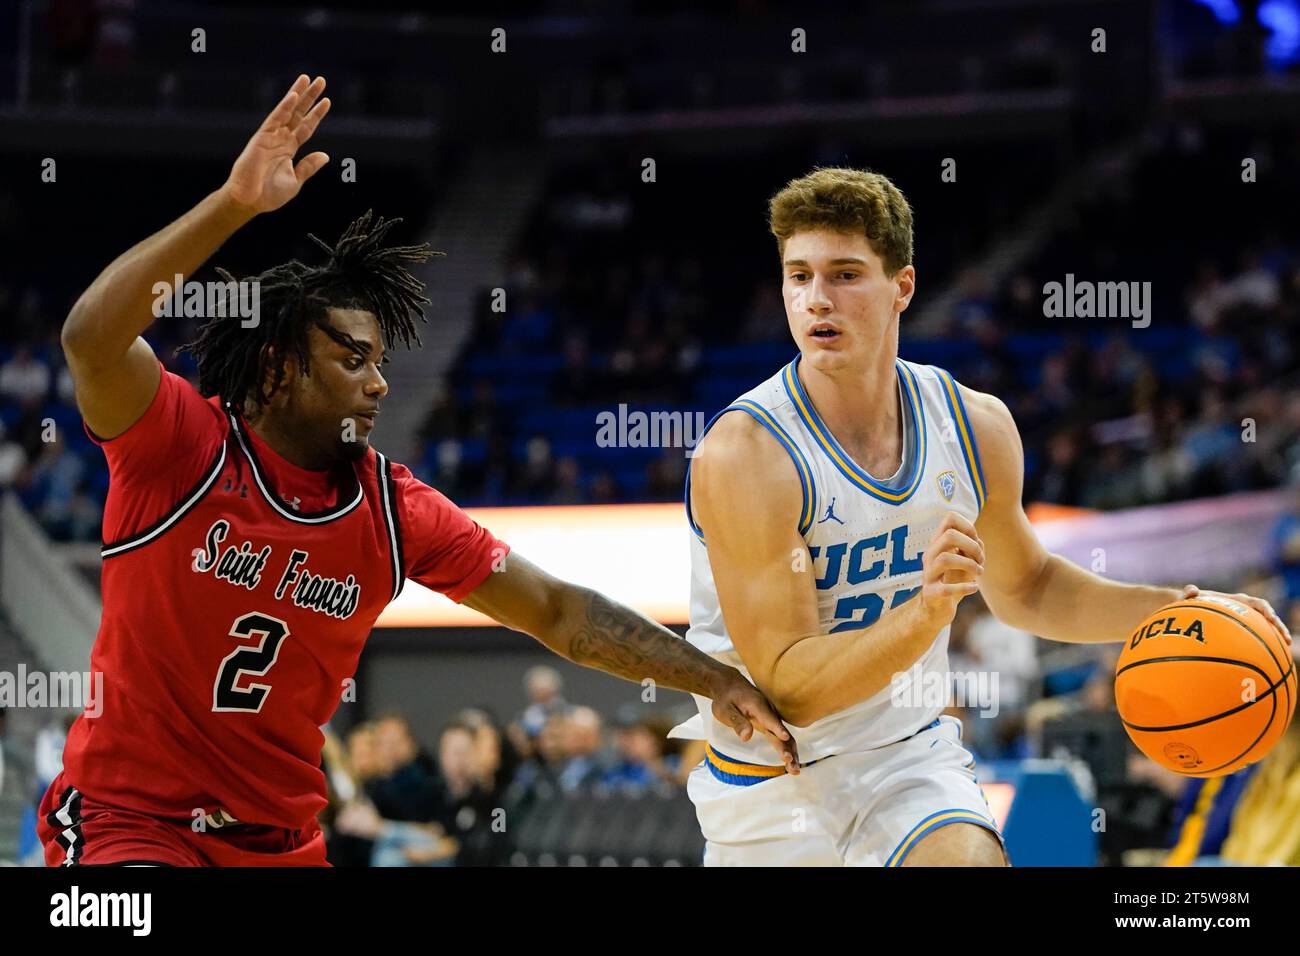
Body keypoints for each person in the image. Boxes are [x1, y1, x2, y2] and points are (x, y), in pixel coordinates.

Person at [37, 74, 795, 868]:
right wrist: (234, 204)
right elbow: (91, 336)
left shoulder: (393, 511)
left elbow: (559, 612)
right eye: (352, 359)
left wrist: (711, 679)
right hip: (131, 825)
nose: (379, 383)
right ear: (275, 369)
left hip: (279, 844)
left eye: (382, 362)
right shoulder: (182, 446)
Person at [672, 166, 1292, 867]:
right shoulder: (746, 452)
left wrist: (1183, 613)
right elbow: (791, 686)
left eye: (845, 274)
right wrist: (924, 615)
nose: (818, 299)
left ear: (902, 286)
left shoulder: (974, 425)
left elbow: (1029, 589)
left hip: (906, 764)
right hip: (769, 790)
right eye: (799, 276)